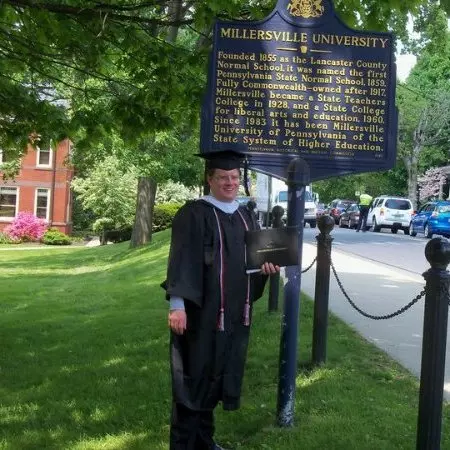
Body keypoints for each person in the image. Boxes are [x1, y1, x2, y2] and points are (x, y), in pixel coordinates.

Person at [162, 151, 279, 450]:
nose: (230, 182)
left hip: (235, 316)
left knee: (217, 379)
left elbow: (254, 262)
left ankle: (204, 441)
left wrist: (267, 268)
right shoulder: (194, 214)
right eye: (223, 177)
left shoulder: (245, 215)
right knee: (194, 380)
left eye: (234, 177)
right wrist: (177, 305)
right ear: (210, 179)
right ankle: (183, 445)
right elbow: (181, 260)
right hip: (201, 315)